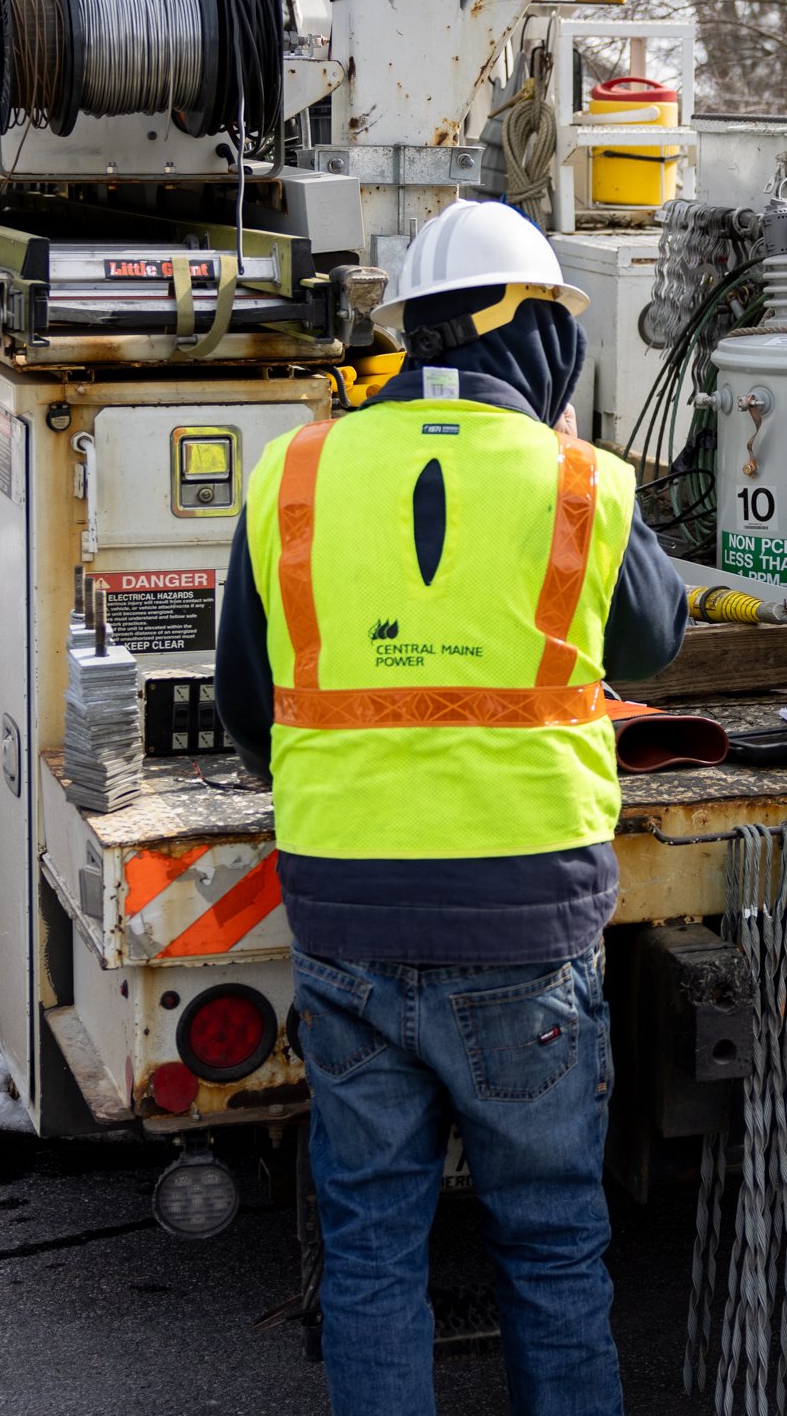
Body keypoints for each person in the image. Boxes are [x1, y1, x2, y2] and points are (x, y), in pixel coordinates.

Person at [215, 198, 687, 1416]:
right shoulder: (579, 479)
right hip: (525, 923)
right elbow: (653, 642)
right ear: (531, 333)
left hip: (348, 915)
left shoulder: (297, 471)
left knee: (372, 1247)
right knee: (547, 1242)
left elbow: (243, 694)